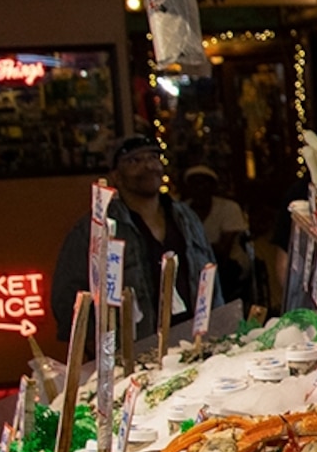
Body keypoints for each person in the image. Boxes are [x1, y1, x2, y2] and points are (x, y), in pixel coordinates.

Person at [52, 134, 215, 340]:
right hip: (134, 353)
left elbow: (210, 281)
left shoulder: (186, 218)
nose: (148, 166)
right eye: (134, 161)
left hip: (193, 343)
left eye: (153, 158)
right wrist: (101, 350)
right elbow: (68, 299)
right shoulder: (97, 228)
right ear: (116, 176)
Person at [178, 165, 254, 310]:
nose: (200, 188)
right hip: (192, 264)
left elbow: (224, 249)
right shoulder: (181, 211)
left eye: (204, 183)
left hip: (227, 263)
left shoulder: (228, 208)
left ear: (213, 187)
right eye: (195, 184)